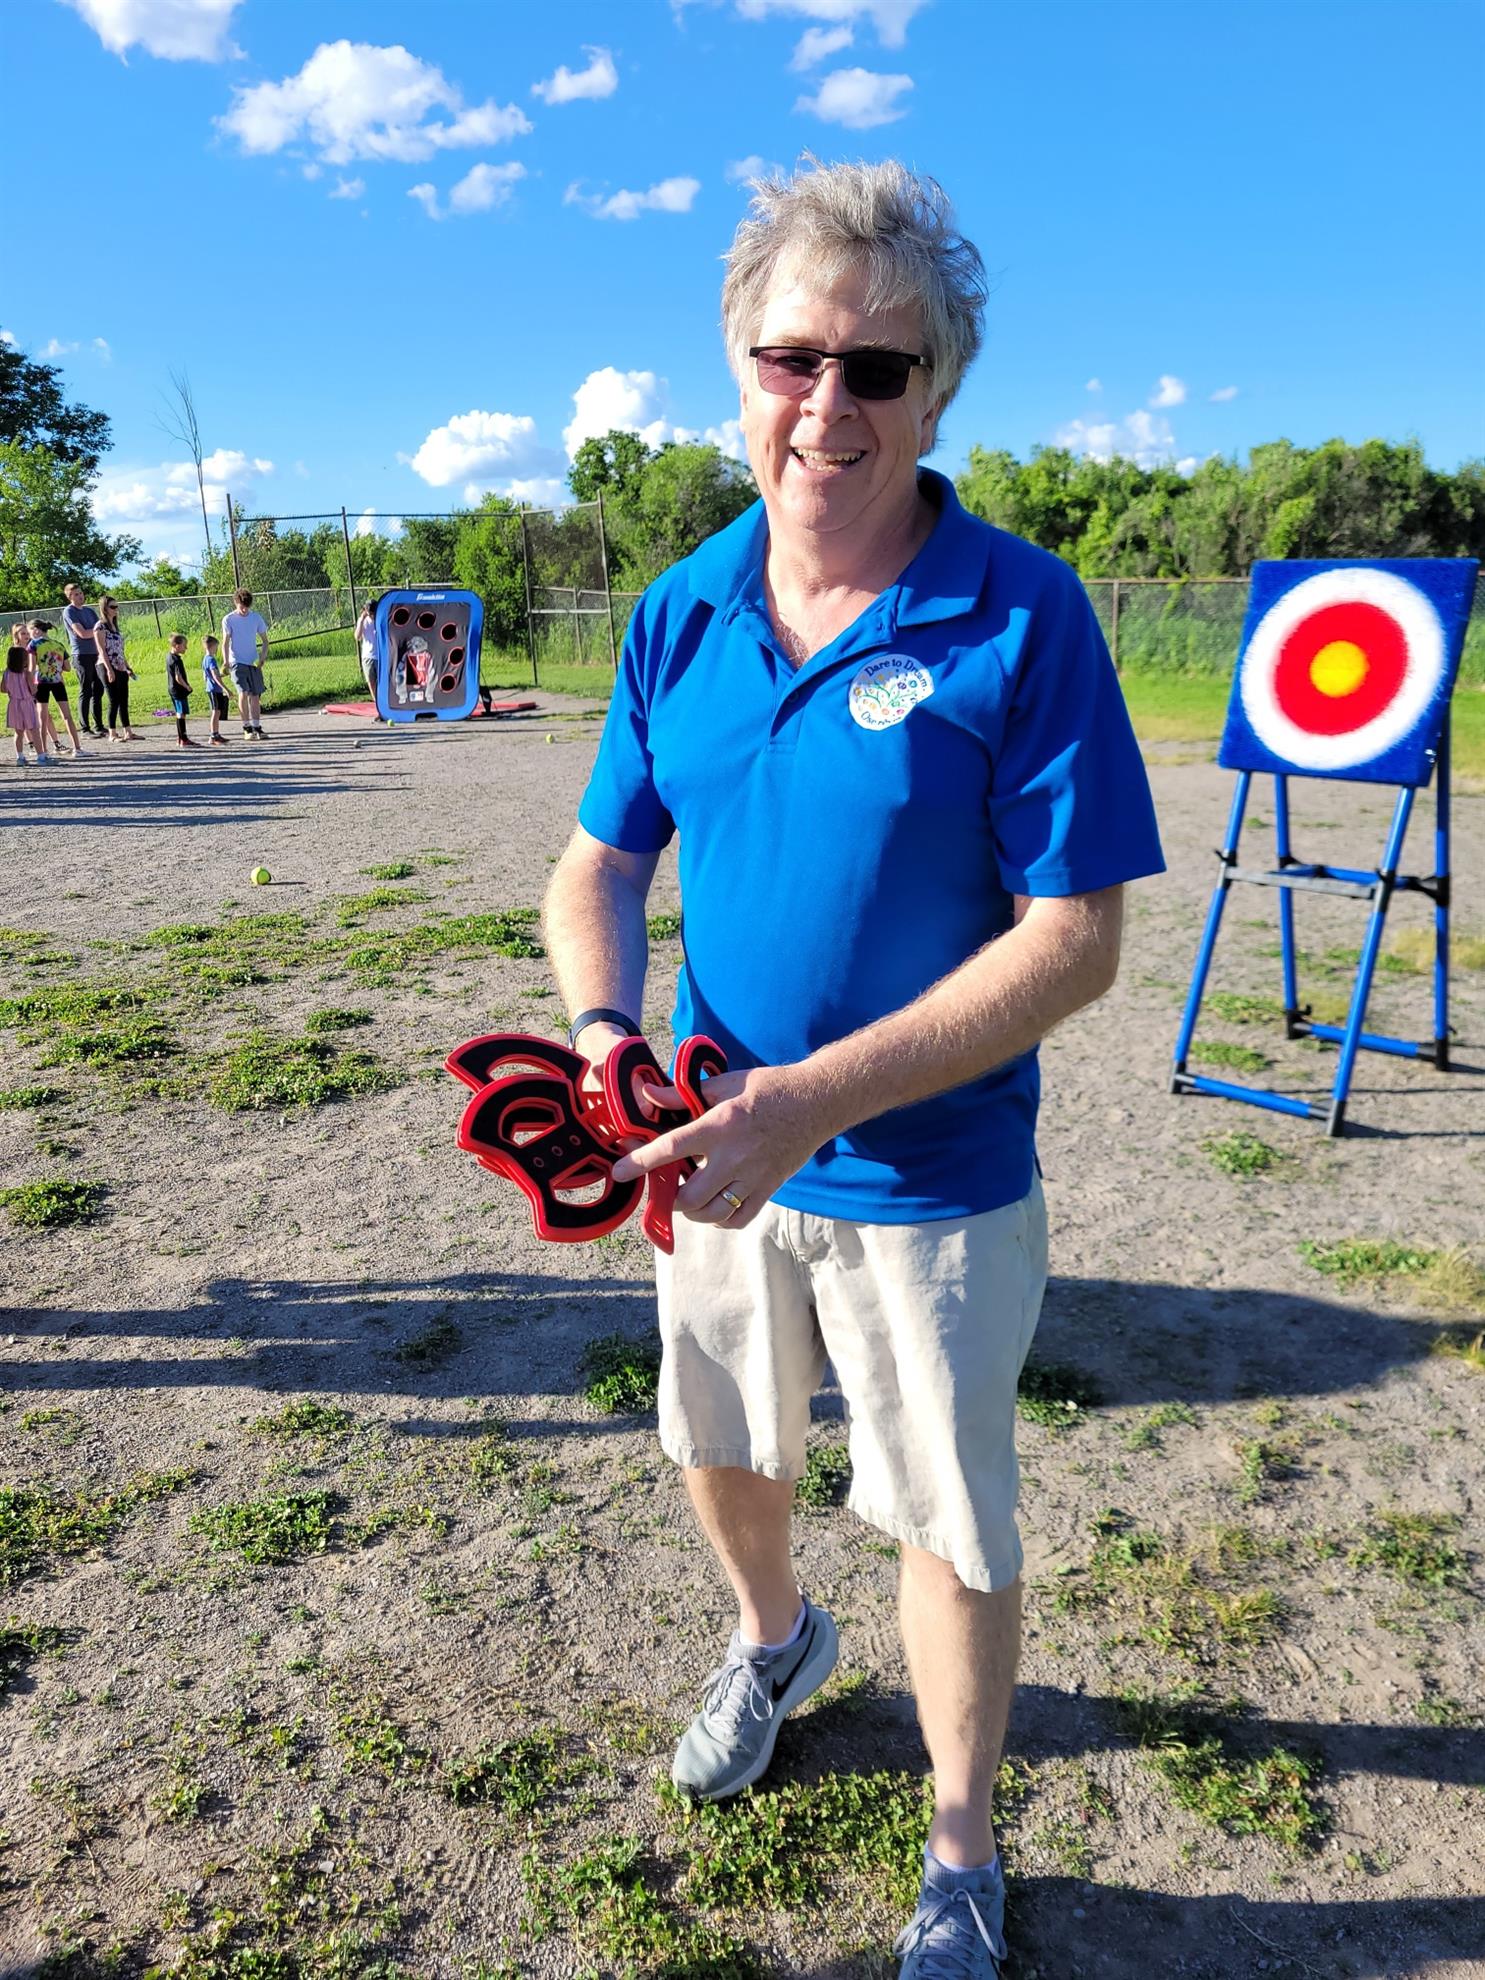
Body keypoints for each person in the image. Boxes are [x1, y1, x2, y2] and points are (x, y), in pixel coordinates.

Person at [542, 161, 1164, 1978]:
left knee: (948, 1521)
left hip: (931, 1183)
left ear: (939, 390)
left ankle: (961, 1836)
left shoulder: (1022, 614)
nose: (829, 404)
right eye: (791, 356)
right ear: (736, 368)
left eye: (879, 370)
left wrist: (816, 1098)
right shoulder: (680, 607)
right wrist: (602, 1033)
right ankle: (773, 1639)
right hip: (708, 1161)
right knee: (722, 1445)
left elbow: (1076, 941)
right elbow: (599, 863)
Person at [28, 619, 86, 758]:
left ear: (36, 630)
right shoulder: (58, 645)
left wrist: (31, 686)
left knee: (42, 717)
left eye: (30, 631)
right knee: (67, 716)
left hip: (41, 683)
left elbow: (31, 668)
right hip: (58, 682)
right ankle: (77, 748)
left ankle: (43, 751)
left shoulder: (34, 644)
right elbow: (67, 667)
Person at [221, 588, 269, 738]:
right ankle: (246, 727)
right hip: (236, 661)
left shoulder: (256, 618)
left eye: (247, 606)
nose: (244, 609)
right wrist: (226, 660)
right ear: (236, 603)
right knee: (243, 693)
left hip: (252, 661)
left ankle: (257, 727)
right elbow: (225, 643)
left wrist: (262, 657)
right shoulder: (228, 619)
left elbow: (265, 641)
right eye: (242, 606)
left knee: (255, 695)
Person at [62, 583, 105, 737]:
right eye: (76, 594)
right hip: (81, 654)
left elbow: (101, 628)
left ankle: (99, 725)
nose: (80, 596)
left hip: (96, 653)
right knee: (85, 690)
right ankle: (85, 728)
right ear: (69, 597)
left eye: (80, 593)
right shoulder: (69, 612)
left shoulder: (89, 611)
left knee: (98, 689)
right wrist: (96, 632)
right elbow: (82, 633)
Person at [95, 597, 136, 740]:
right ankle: (112, 733)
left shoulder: (115, 627)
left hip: (120, 666)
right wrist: (109, 669)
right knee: (114, 700)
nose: (116, 609)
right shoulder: (100, 626)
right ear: (105, 608)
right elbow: (101, 650)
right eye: (112, 607)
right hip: (106, 665)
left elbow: (120, 650)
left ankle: (128, 731)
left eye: (116, 606)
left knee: (123, 700)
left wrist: (127, 667)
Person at [4, 645, 47, 764]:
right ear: (24, 660)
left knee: (18, 732)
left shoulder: (6, 673)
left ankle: (20, 757)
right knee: (34, 730)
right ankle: (41, 756)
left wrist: (12, 689)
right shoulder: (26, 674)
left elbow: (2, 688)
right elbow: (33, 690)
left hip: (13, 704)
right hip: (27, 703)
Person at [165, 634, 198, 749]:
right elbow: (178, 677)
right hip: (178, 689)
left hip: (172, 688)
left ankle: (180, 738)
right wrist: (187, 686)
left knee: (180, 713)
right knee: (181, 713)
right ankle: (183, 739)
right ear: (176, 646)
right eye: (184, 645)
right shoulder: (176, 660)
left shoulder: (169, 656)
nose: (186, 648)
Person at [355, 597, 386, 720]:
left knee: (382, 683)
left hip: (380, 656)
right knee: (371, 683)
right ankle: (378, 707)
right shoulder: (363, 620)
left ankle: (385, 707)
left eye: (373, 613)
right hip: (367, 656)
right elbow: (357, 636)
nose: (372, 615)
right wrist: (362, 620)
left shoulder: (380, 620)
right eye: (369, 613)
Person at [201, 633, 230, 745]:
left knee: (217, 711)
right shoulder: (211, 660)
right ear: (212, 646)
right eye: (216, 647)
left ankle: (216, 734)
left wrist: (220, 675)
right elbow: (215, 676)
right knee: (215, 712)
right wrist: (226, 689)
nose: (217, 649)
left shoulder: (205, 659)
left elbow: (206, 676)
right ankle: (213, 736)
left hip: (211, 687)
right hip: (214, 689)